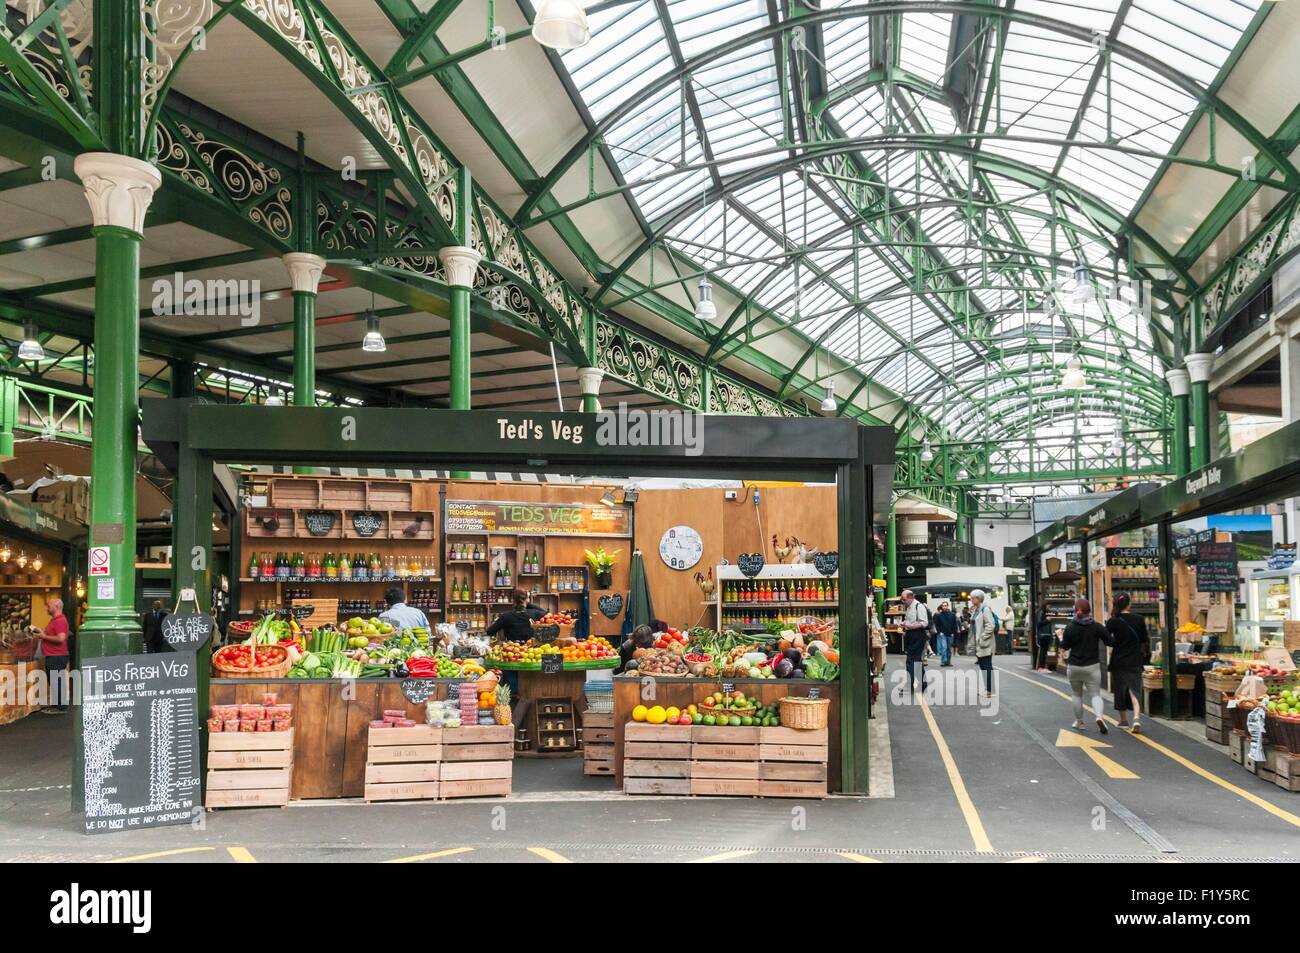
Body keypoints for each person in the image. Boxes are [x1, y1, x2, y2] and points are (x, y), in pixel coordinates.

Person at [1062, 596, 1111, 733]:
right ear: (1089, 611)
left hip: (1074, 667)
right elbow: (1110, 641)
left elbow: (1065, 646)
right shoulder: (1096, 627)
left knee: (1076, 695)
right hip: (1092, 666)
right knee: (1095, 694)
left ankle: (1080, 722)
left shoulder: (1070, 627)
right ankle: (1099, 717)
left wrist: (1060, 637)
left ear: (1075, 611)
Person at [1106, 592, 1151, 732]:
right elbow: (1144, 639)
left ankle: (1123, 720)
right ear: (1129, 604)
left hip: (1118, 660)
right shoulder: (1139, 619)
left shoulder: (1113, 621)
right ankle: (1136, 718)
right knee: (1134, 690)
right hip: (1135, 659)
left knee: (1120, 691)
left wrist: (1116, 643)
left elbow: (1107, 639)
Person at [40, 598, 70, 713]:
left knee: (56, 682)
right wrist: (42, 633)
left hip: (56, 656)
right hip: (54, 656)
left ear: (56, 607)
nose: (47, 608)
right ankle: (57, 706)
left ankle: (61, 708)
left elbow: (61, 638)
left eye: (49, 606)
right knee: (55, 682)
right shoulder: (55, 620)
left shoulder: (60, 620)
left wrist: (44, 637)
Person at [900, 589, 930, 695]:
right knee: (916, 660)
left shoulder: (919, 606)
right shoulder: (909, 607)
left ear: (910, 597)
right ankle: (923, 683)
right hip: (911, 635)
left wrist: (910, 626)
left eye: (903, 599)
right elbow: (911, 620)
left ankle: (910, 684)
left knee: (910, 660)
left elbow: (924, 623)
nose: (902, 601)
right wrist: (905, 624)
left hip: (917, 635)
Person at [969, 589, 997, 697]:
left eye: (972, 598)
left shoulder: (985, 609)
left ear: (978, 599)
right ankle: (987, 689)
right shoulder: (977, 609)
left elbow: (991, 625)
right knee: (982, 666)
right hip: (979, 643)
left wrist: (982, 638)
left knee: (987, 666)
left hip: (985, 643)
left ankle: (990, 690)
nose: (971, 600)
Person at [932, 601, 958, 667]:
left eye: (945, 605)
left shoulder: (952, 614)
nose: (944, 607)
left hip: (950, 634)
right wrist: (939, 632)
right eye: (943, 606)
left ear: (947, 606)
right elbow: (936, 624)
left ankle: (948, 662)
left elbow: (954, 624)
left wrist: (953, 632)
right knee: (944, 647)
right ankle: (943, 661)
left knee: (949, 648)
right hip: (942, 634)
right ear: (942, 606)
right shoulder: (939, 615)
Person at [1032, 605, 1054, 673]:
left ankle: (1042, 667)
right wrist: (1047, 620)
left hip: (1045, 634)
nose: (1049, 607)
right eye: (1048, 606)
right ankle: (1041, 667)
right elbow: (1038, 624)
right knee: (1043, 651)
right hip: (1043, 635)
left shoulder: (1043, 612)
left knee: (1044, 651)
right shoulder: (1041, 612)